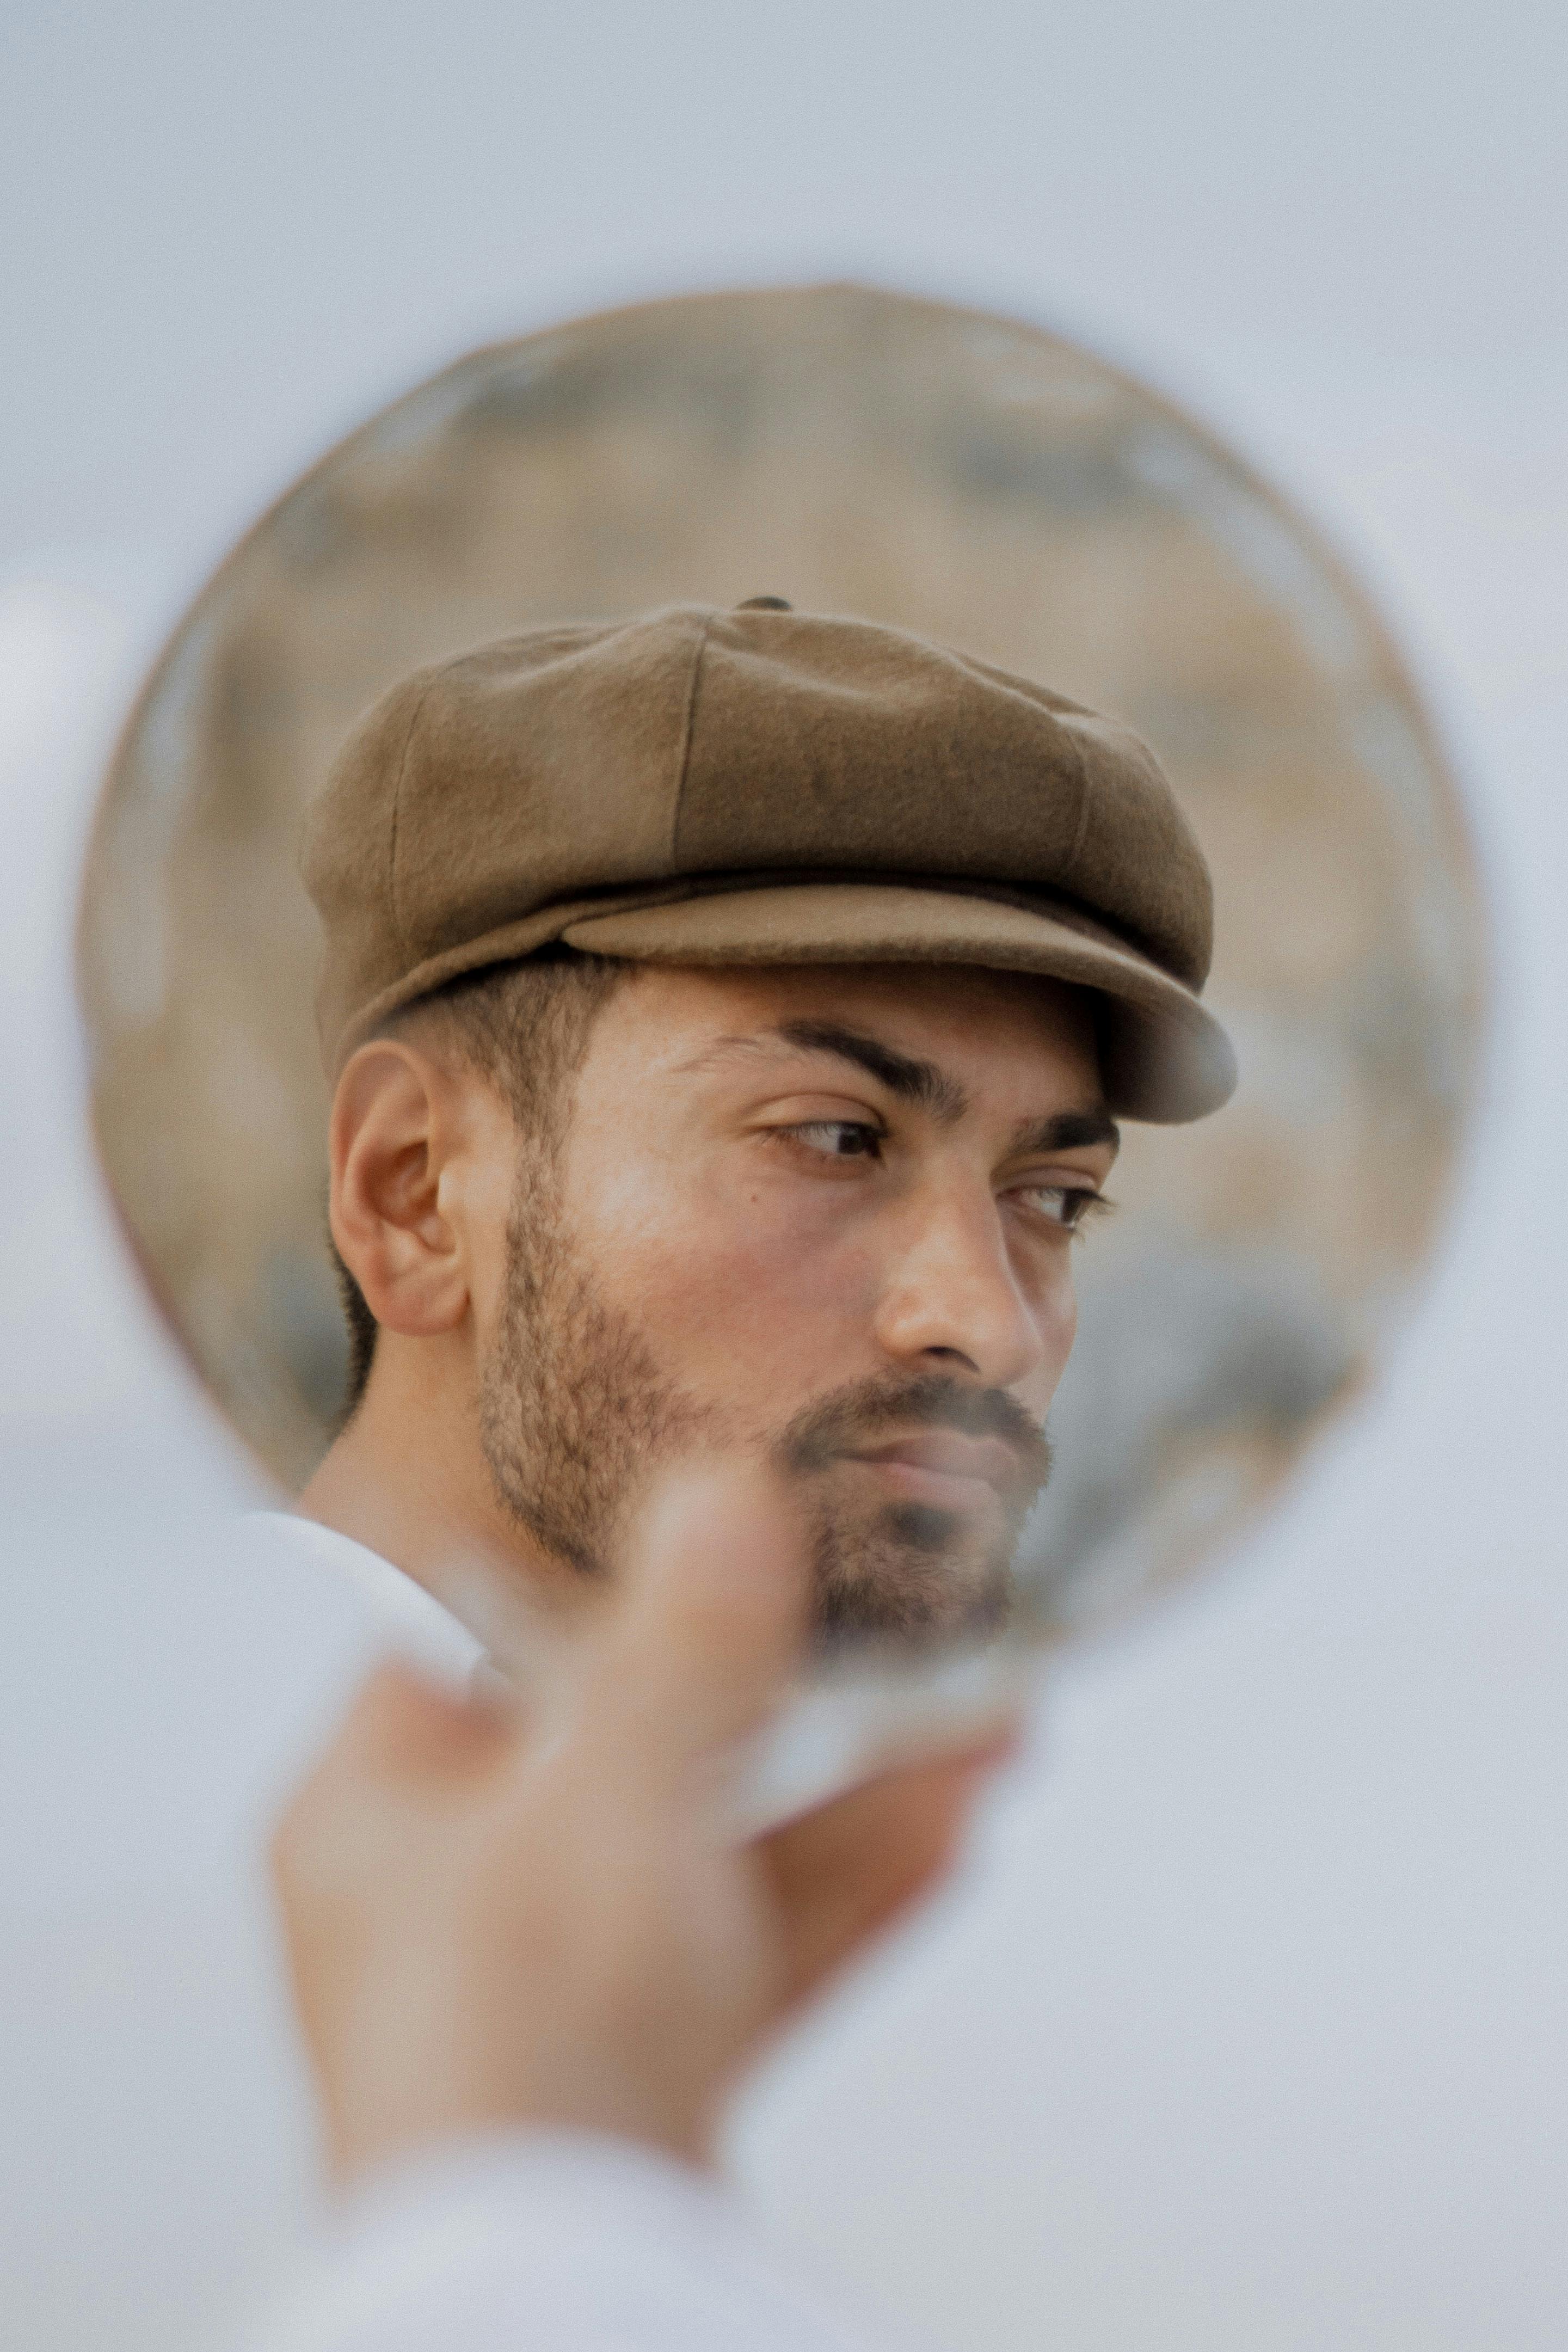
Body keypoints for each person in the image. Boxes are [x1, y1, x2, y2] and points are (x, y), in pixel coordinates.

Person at [243, 595, 1235, 2343]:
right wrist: (529, 2201)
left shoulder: (926, 1918)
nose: (988, 1322)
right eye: (833, 1138)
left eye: (1053, 1197)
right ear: (415, 1191)